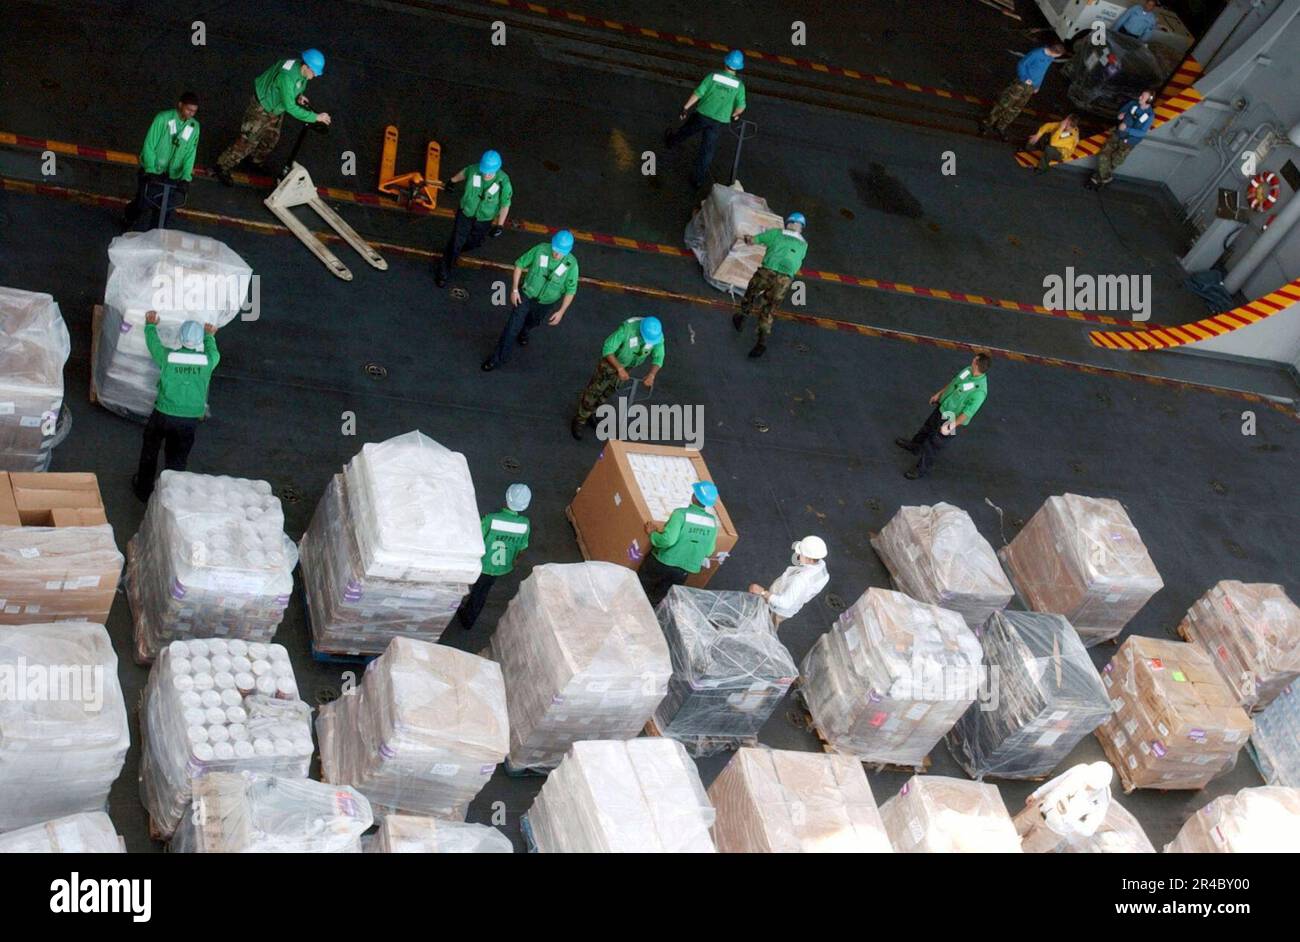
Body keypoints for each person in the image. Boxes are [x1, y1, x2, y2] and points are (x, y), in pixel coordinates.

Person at [132, 312, 220, 502]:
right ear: (199, 342)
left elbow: (153, 344)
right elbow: (214, 352)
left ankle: (143, 490)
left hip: (163, 414)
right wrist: (209, 335)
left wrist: (150, 325)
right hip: (188, 420)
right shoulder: (207, 361)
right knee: (177, 457)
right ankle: (170, 495)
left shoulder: (168, 357)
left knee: (150, 449)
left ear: (180, 338)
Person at [215, 49, 332, 186]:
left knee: (271, 138)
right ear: (305, 66)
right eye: (313, 72)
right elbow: (290, 107)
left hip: (276, 107)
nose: (315, 76)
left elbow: (295, 88)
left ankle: (255, 160)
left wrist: (298, 96)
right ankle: (222, 166)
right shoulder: (287, 77)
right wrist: (315, 117)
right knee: (248, 141)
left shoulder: (301, 71)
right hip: (262, 107)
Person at [481, 230, 578, 371]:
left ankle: (525, 330)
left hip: (545, 303)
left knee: (534, 321)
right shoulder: (540, 250)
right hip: (526, 295)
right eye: (555, 249)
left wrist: (561, 311)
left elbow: (571, 290)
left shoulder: (572, 265)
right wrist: (514, 289)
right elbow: (520, 264)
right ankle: (497, 358)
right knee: (512, 328)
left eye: (560, 252)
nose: (556, 254)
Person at [895, 353, 989, 480]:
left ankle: (921, 469)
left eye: (974, 360)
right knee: (927, 428)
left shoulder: (979, 391)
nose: (972, 361)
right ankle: (915, 446)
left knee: (935, 444)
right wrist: (939, 394)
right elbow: (954, 382)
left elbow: (967, 413)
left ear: (977, 364)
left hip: (951, 417)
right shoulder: (968, 370)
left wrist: (951, 426)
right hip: (943, 406)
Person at [665, 50, 747, 189]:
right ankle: (697, 180)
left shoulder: (713, 77)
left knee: (686, 131)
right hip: (718, 121)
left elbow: (698, 93)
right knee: (707, 151)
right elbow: (741, 106)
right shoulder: (739, 86)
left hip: (702, 115)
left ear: (726, 62)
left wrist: (685, 108)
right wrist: (735, 115)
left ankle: (671, 142)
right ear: (739, 67)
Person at [571, 316, 664, 440]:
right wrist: (619, 368)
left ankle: (591, 412)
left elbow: (659, 357)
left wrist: (652, 374)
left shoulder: (655, 336)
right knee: (594, 391)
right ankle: (580, 419)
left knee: (608, 392)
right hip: (610, 364)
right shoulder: (626, 330)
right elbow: (607, 349)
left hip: (627, 367)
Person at [733, 212, 807, 359]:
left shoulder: (776, 234)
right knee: (768, 310)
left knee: (751, 292)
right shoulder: (804, 244)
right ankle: (761, 342)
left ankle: (742, 316)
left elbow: (753, 240)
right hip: (784, 281)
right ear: (801, 228)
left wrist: (747, 238)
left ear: (788, 223)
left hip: (767, 273)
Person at [457, 484, 531, 630]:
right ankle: (469, 613)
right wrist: (514, 561)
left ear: (506, 497)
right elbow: (522, 548)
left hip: (483, 563)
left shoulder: (491, 519)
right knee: (483, 590)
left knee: (474, 587)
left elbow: (476, 539)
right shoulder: (525, 525)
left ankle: (466, 617)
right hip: (501, 566)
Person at [435, 149, 512, 287]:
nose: (486, 174)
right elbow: (463, 173)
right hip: (465, 213)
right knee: (456, 242)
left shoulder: (503, 183)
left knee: (475, 242)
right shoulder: (474, 170)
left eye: (490, 171)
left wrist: (500, 225)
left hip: (484, 219)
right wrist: (451, 181)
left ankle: (453, 251)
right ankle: (444, 273)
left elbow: (505, 205)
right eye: (484, 170)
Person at [124, 93, 200, 231]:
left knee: (164, 211)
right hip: (154, 170)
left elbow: (190, 154)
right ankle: (129, 216)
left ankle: (155, 237)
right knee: (143, 202)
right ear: (180, 105)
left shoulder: (194, 127)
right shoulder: (163, 118)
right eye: (188, 110)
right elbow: (149, 144)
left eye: (194, 111)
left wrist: (185, 177)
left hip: (172, 175)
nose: (191, 114)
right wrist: (150, 169)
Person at [640, 481, 719, 606]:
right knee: (657, 597)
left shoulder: (680, 514)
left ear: (694, 496)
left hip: (663, 562)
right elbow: (709, 551)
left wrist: (653, 534)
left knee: (640, 588)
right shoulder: (712, 522)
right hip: (683, 571)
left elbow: (668, 540)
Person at [1014, 762, 1114, 853]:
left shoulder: (1103, 798)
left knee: (1025, 850)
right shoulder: (1081, 769)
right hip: (1040, 810)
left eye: (1091, 787)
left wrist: (1071, 820)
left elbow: (1089, 830)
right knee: (1009, 830)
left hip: (1052, 831)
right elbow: (1059, 780)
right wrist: (1037, 793)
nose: (1086, 786)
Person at [978, 43, 1065, 141]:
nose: (1056, 58)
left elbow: (1042, 72)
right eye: (1058, 56)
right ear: (1054, 52)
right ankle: (987, 123)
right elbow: (1022, 64)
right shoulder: (1036, 53)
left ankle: (1001, 126)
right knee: (1005, 103)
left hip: (1031, 87)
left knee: (1016, 108)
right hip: (1021, 84)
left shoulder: (1050, 58)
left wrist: (1037, 85)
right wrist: (1024, 77)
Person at [748, 536, 829, 628]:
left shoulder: (801, 580)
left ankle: (761, 636)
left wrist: (762, 592)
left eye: (801, 554)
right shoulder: (822, 569)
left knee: (769, 625)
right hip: (792, 603)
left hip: (779, 608)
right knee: (767, 619)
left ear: (810, 559)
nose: (798, 555)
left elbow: (784, 603)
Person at [1088, 90, 1156, 189]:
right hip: (1118, 134)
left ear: (1149, 100)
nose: (1140, 97)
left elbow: (1142, 133)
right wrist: (1120, 116)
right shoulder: (1133, 104)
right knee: (1103, 155)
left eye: (1143, 97)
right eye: (1141, 95)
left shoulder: (1150, 115)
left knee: (1115, 161)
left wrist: (1127, 129)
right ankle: (1104, 179)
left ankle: (1096, 179)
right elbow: (1121, 112)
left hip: (1129, 141)